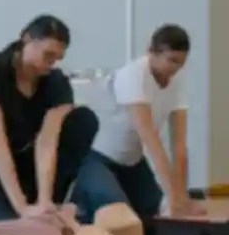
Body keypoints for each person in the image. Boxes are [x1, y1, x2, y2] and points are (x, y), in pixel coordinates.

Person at [0, 15, 99, 222]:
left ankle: (42, 205)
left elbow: (47, 143)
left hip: (19, 162)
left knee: (83, 120)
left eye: (57, 58)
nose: (50, 63)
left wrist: (44, 200)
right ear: (27, 39)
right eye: (47, 54)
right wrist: (21, 206)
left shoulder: (55, 82)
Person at [75, 24, 203, 220]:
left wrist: (181, 198)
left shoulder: (178, 79)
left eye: (181, 63)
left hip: (132, 163)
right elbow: (151, 140)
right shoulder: (132, 75)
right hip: (99, 159)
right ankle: (79, 200)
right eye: (171, 60)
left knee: (152, 211)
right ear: (151, 52)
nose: (175, 68)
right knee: (119, 215)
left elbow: (179, 147)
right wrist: (173, 197)